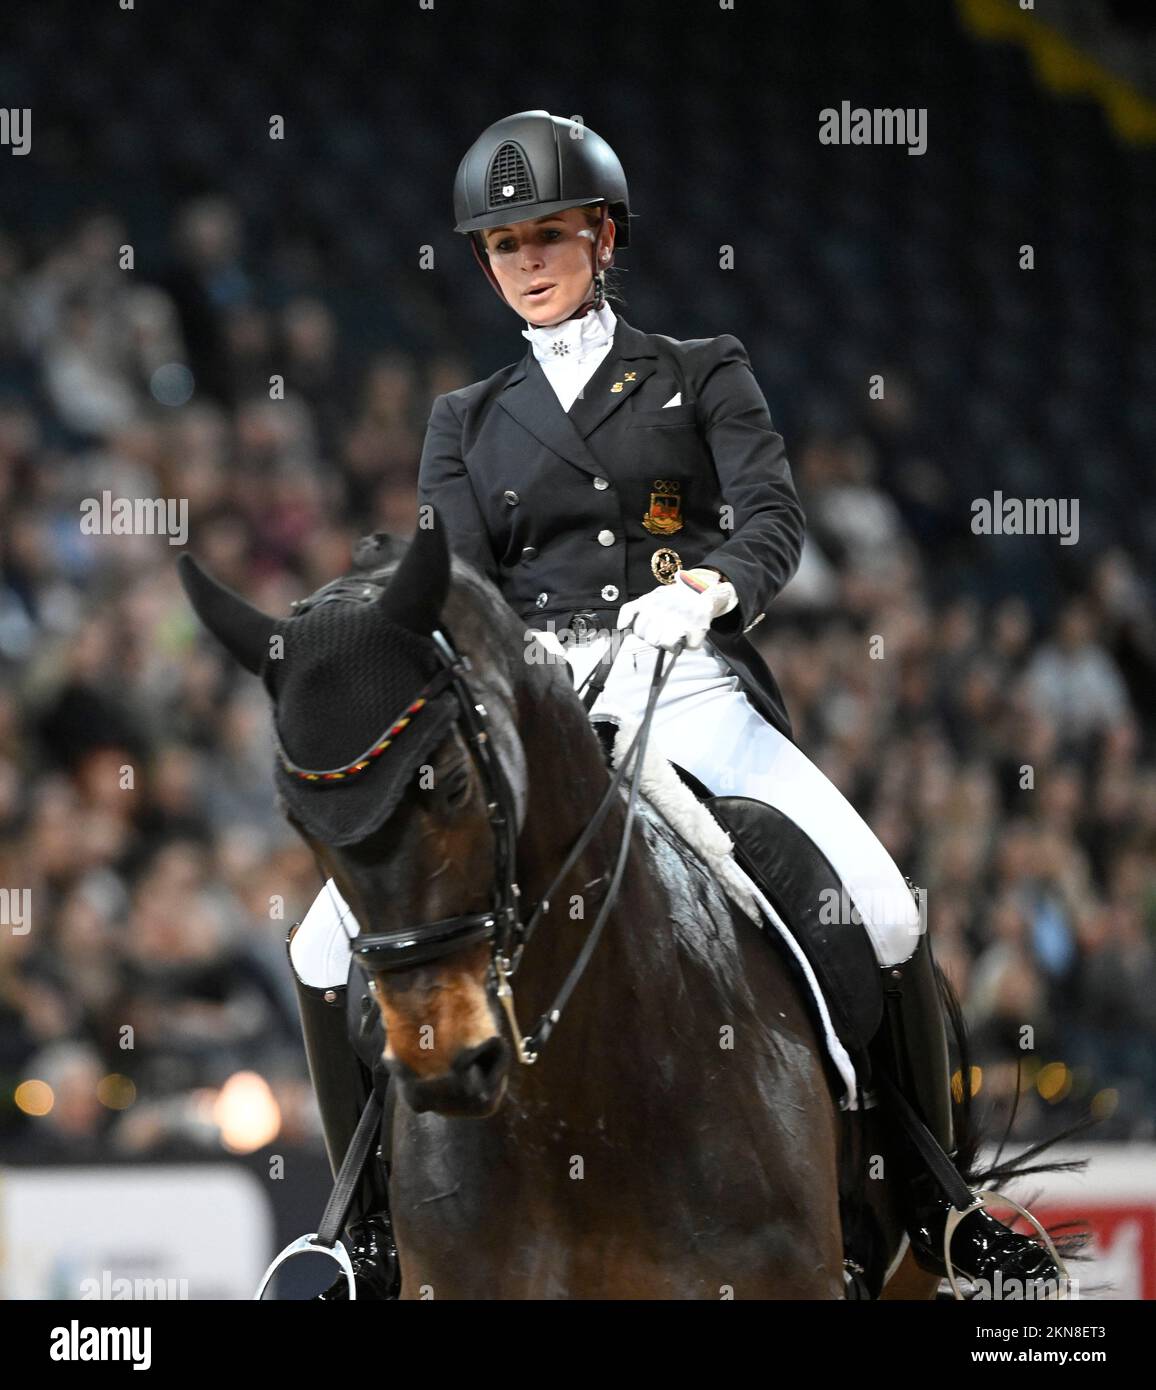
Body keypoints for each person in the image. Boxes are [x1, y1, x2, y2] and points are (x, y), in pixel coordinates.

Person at [288, 109, 1063, 1297]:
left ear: (602, 236)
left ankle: (935, 1202)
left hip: (690, 688)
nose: (528, 260)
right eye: (503, 244)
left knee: (877, 909)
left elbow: (773, 523)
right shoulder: (466, 417)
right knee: (323, 942)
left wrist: (704, 589)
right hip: (541, 712)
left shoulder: (700, 370)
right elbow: (460, 581)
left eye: (549, 233)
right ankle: (357, 1233)